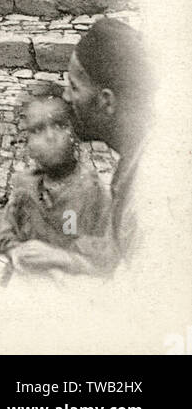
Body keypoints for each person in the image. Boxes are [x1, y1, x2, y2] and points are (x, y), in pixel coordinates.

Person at [0, 82, 114, 278]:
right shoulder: (26, 186)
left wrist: (60, 257)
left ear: (75, 132)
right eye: (37, 130)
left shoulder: (90, 191)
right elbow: (2, 232)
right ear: (26, 142)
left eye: (59, 125)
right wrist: (15, 252)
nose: (50, 136)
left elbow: (109, 259)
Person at [64, 18, 154, 267]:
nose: (65, 96)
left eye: (74, 86)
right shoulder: (137, 157)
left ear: (107, 101)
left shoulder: (148, 198)